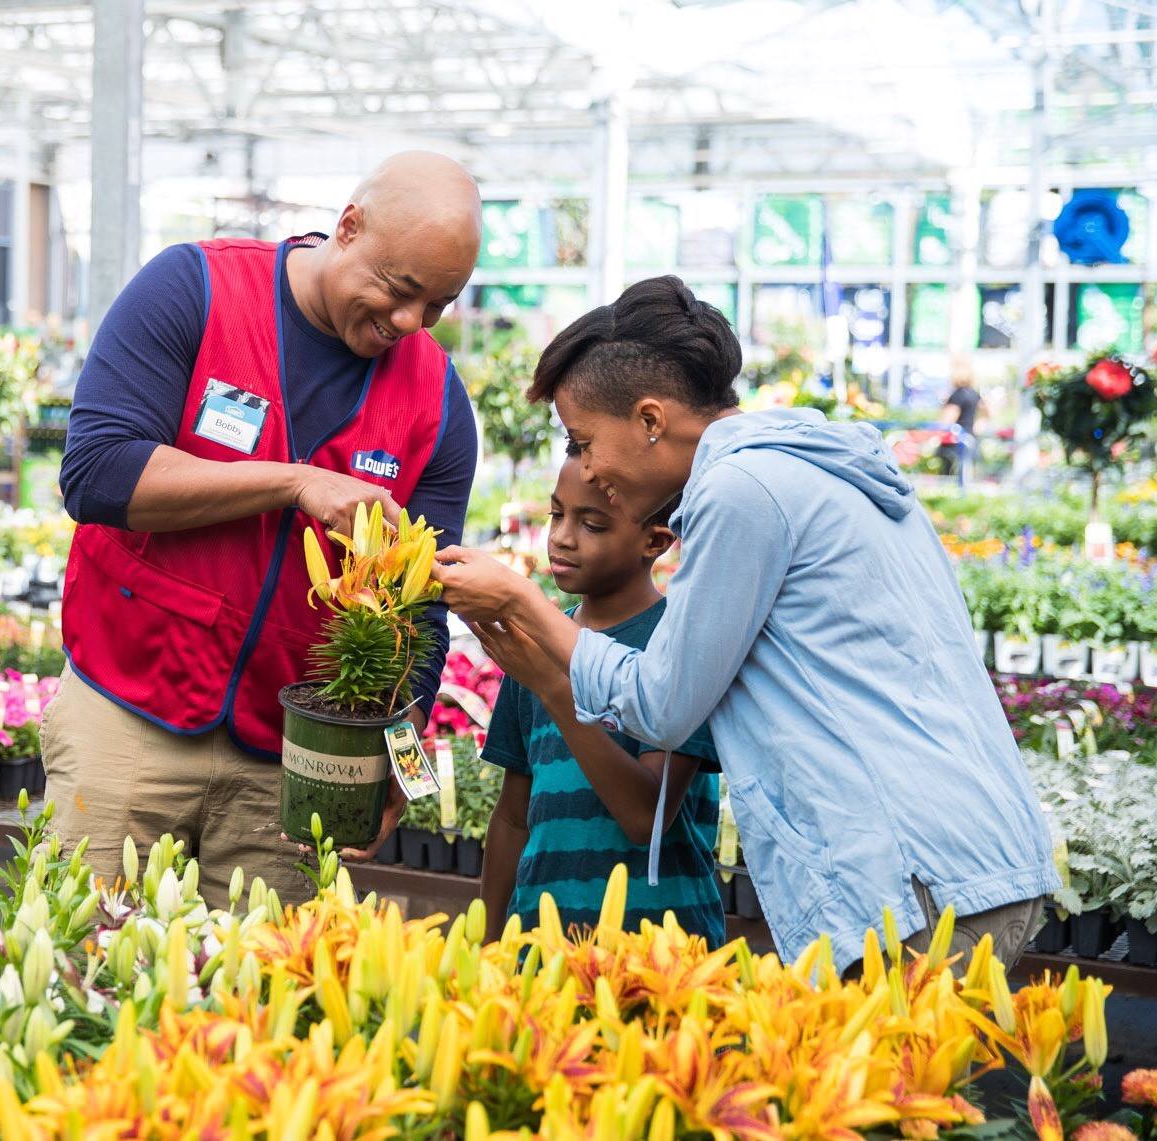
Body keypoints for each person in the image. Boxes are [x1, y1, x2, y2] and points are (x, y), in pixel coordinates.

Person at [435, 276, 1053, 968]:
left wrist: (522, 604)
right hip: (963, 862)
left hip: (911, 881)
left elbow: (663, 707)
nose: (586, 466)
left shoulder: (741, 490)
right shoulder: (810, 471)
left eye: (584, 441)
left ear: (649, 420)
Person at [49, 151, 482, 904]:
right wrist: (295, 482)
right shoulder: (195, 288)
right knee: (84, 954)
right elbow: (97, 472)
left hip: (293, 766)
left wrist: (402, 760)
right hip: (128, 718)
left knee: (267, 974)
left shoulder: (438, 403)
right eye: (398, 288)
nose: (410, 322)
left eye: (437, 305)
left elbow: (423, 609)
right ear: (349, 227)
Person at [478, 462, 723, 946]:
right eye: (556, 515)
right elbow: (512, 815)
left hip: (660, 954)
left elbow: (645, 818)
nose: (562, 538)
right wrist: (488, 940)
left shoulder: (679, 646)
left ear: (655, 542)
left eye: (591, 525)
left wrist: (553, 687)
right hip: (541, 952)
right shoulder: (535, 646)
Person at [938, 358, 982, 478]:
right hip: (970, 437)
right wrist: (978, 425)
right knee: (966, 474)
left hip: (955, 442)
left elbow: (947, 421)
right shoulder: (974, 394)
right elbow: (986, 412)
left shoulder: (957, 395)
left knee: (949, 477)